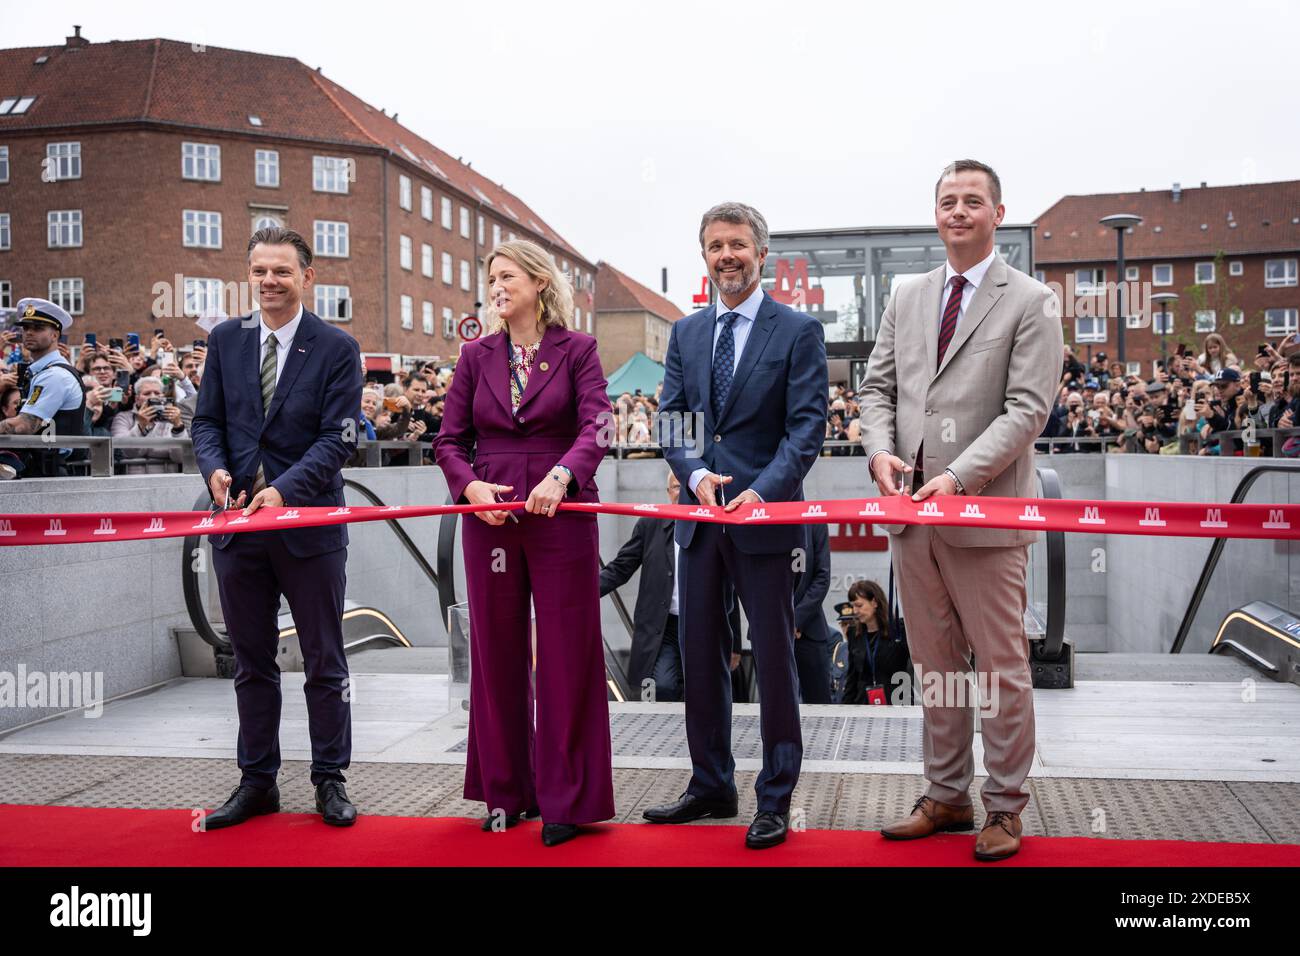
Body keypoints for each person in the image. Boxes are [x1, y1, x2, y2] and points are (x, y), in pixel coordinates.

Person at [859, 160, 1063, 861]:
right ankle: (946, 795)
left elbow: (1026, 411)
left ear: (997, 213)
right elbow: (878, 390)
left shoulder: (1031, 301)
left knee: (1001, 669)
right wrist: (881, 454)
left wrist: (957, 476)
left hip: (984, 517)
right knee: (934, 663)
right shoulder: (907, 295)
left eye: (972, 201)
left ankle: (1005, 808)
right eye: (947, 201)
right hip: (912, 518)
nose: (958, 211)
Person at [644, 202, 827, 850]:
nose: (727, 255)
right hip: (699, 519)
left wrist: (760, 492)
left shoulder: (796, 331)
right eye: (716, 245)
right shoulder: (685, 334)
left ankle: (774, 796)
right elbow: (672, 422)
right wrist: (694, 477)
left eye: (738, 245)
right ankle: (711, 783)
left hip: (765, 521)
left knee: (774, 660)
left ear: (760, 253)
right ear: (704, 255)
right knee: (700, 657)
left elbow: (808, 428)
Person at [433, 238, 614, 848]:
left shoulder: (578, 349)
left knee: (567, 651)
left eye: (507, 276)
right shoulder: (474, 356)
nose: (497, 288)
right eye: (491, 280)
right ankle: (506, 792)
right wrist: (470, 488)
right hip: (491, 517)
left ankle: (568, 799)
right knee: (496, 650)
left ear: (539, 283)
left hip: (561, 511)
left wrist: (564, 475)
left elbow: (599, 424)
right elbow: (448, 442)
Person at [191, 226, 362, 830]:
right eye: (260, 270)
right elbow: (206, 420)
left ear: (307, 277)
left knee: (324, 660)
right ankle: (258, 781)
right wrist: (214, 469)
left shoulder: (337, 348)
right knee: (251, 661)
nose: (270, 281)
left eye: (282, 271)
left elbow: (339, 440)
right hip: (237, 528)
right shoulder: (225, 341)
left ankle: (330, 779)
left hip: (308, 529)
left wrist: (283, 491)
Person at [599, 469, 745, 701]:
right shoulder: (651, 524)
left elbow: (731, 586)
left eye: (686, 487)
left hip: (702, 623)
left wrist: (735, 642)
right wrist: (584, 591)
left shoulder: (714, 526)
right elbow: (621, 567)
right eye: (676, 487)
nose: (681, 493)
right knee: (664, 687)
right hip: (664, 627)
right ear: (668, 493)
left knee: (704, 690)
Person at [0, 298, 87, 477]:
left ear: (55, 335)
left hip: (48, 471)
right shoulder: (42, 372)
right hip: (38, 466)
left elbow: (25, 425)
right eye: (26, 328)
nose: (29, 333)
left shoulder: (55, 375)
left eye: (38, 328)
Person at [838, 580, 911, 705]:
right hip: (863, 705)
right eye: (853, 606)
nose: (855, 611)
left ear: (875, 602)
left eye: (859, 605)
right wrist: (844, 710)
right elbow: (852, 677)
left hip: (896, 705)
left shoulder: (899, 630)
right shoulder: (854, 634)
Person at [109, 375, 188, 473]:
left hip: (167, 481)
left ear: (162, 396)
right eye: (147, 393)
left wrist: (178, 427)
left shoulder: (171, 419)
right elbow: (123, 451)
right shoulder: (123, 418)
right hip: (131, 482)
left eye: (157, 393)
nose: (152, 396)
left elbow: (179, 457)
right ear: (137, 399)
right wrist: (141, 426)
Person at [792, 524, 833, 704]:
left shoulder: (814, 523)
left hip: (809, 631)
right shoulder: (760, 518)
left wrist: (795, 620)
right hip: (769, 629)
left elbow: (822, 578)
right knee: (774, 705)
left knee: (819, 705)